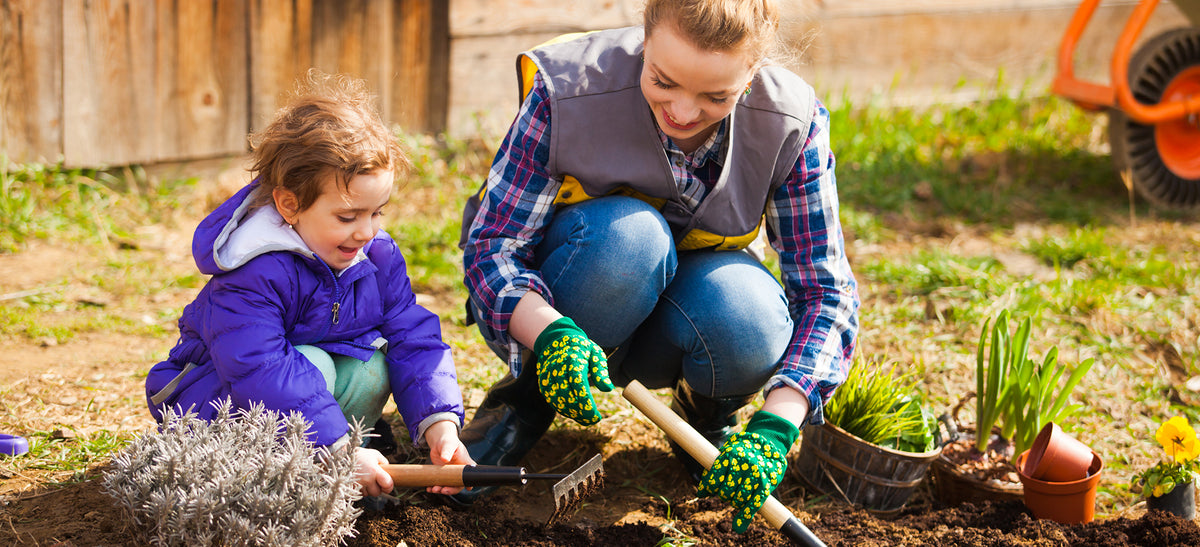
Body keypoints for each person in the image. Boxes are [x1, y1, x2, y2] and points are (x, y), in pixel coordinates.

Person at [455, 0, 859, 533]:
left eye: (717, 96)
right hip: (567, 297)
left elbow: (825, 290)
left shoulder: (790, 122)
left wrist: (778, 424)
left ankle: (707, 412)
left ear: (754, 71)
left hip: (681, 313)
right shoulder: (569, 90)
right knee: (633, 239)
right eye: (664, 81)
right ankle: (528, 398)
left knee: (750, 315)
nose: (684, 112)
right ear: (645, 36)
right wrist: (549, 334)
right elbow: (494, 248)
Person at [145, 71, 473, 497]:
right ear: (289, 205)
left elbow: (414, 337)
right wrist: (336, 446)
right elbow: (259, 367)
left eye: (377, 212)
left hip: (299, 409)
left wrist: (440, 426)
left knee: (372, 367)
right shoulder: (254, 273)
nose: (366, 232)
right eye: (347, 216)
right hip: (215, 402)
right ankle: (290, 478)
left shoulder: (376, 257)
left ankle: (331, 478)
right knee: (312, 364)